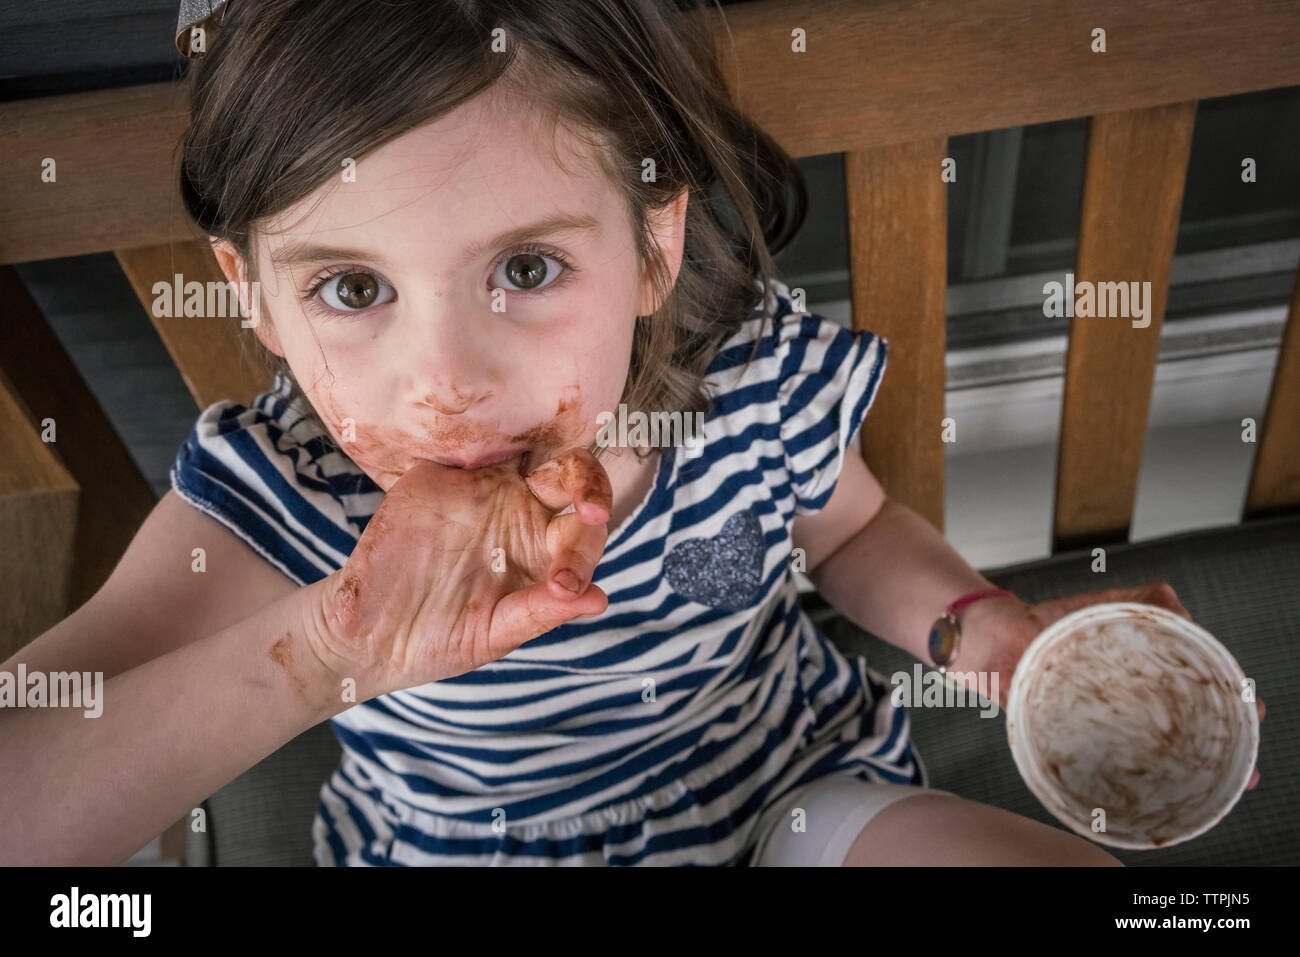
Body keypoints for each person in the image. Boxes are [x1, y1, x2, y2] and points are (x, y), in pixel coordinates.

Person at [0, 0, 1260, 866]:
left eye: (529, 268)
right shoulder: (280, 506)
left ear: (655, 243)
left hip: (797, 799)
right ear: (252, 295)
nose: (449, 383)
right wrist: (328, 650)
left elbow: (856, 530)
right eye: (352, 289)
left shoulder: (748, 378)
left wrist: (968, 624)